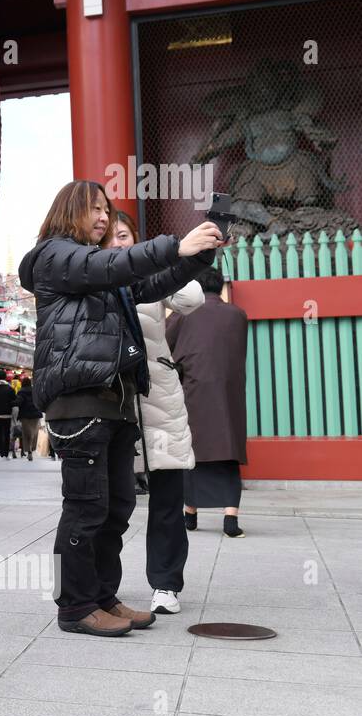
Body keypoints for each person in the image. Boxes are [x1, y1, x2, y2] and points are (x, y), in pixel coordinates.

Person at [18, 179, 221, 637]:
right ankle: (72, 607)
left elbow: (151, 283)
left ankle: (102, 596)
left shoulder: (98, 270)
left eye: (107, 210)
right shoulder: (54, 256)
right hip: (79, 401)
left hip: (116, 400)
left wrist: (197, 255)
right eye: (95, 209)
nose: (105, 218)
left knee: (116, 507)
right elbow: (117, 264)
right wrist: (174, 244)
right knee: (84, 508)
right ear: (70, 211)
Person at [107, 210, 203, 613]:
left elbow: (192, 298)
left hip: (158, 396)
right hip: (113, 397)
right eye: (109, 237)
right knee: (111, 499)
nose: (117, 243)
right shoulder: (93, 276)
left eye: (124, 235)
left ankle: (166, 585)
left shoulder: (150, 274)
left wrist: (162, 260)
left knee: (167, 495)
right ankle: (99, 585)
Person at [167, 265, 249, 539]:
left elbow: (166, 346)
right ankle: (230, 519)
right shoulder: (238, 315)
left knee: (194, 454)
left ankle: (190, 514)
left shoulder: (184, 314)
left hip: (194, 392)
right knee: (227, 453)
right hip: (229, 395)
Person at [15, 377, 41, 461]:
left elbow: (18, 403)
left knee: (26, 434)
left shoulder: (21, 392)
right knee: (34, 433)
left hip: (25, 415)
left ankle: (28, 450)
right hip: (35, 415)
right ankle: (32, 449)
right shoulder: (36, 391)